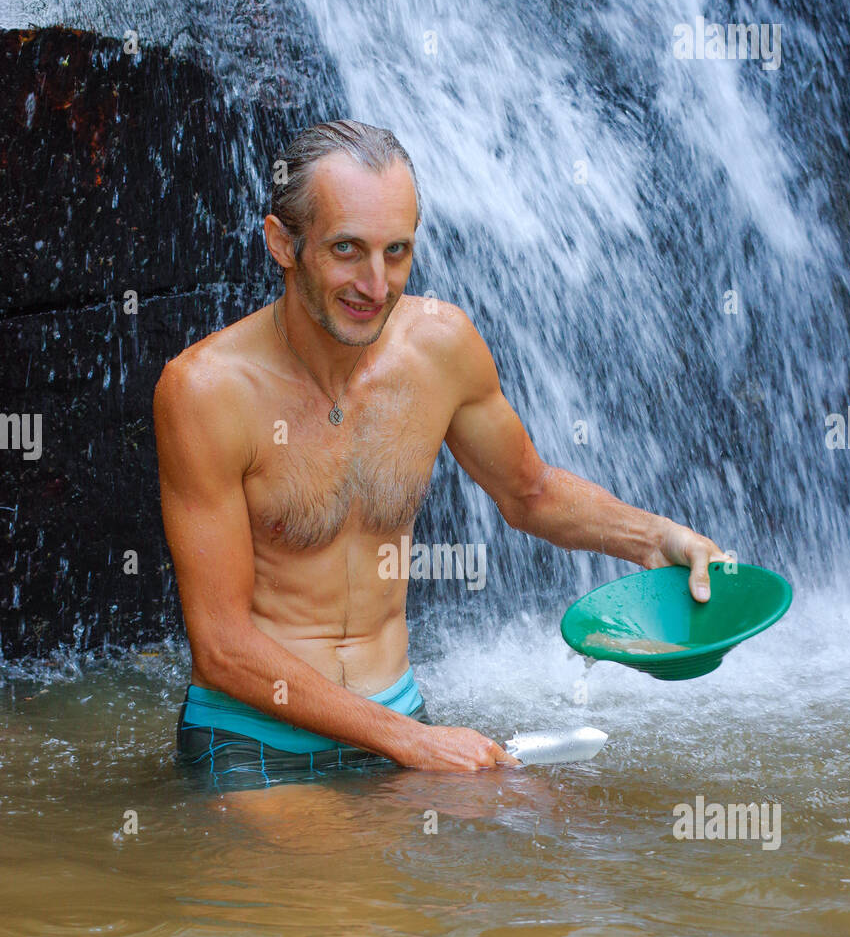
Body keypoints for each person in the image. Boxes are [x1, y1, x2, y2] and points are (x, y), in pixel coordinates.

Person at [154, 119, 727, 788]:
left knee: (572, 847)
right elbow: (221, 647)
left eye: (397, 252)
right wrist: (411, 742)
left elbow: (530, 492)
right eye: (348, 250)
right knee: (338, 886)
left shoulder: (441, 347)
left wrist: (653, 539)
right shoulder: (206, 391)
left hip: (401, 720)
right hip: (253, 740)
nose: (377, 284)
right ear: (283, 243)